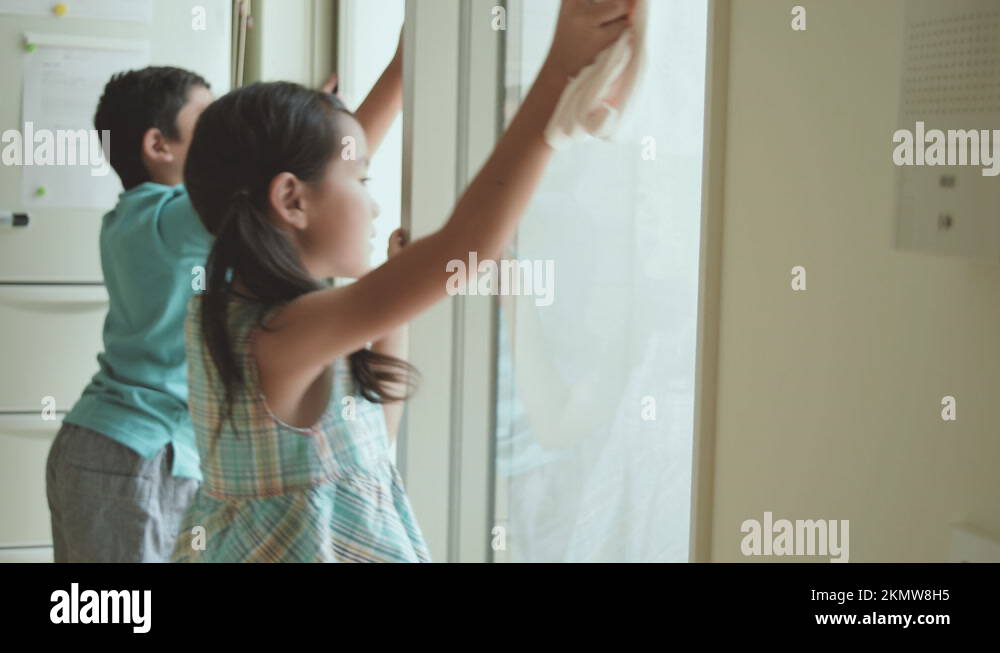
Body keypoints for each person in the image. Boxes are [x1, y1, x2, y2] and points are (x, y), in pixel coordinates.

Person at [170, 0, 636, 562]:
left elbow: (369, 440)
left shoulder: (238, 305)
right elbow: (465, 248)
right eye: (362, 180)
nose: (372, 204)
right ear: (291, 199)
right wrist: (559, 79)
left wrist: (401, 69)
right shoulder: (280, 335)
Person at [45, 66, 215, 562]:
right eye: (210, 121)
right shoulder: (172, 218)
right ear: (159, 145)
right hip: (136, 455)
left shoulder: (138, 218)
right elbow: (311, 168)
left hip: (113, 448)